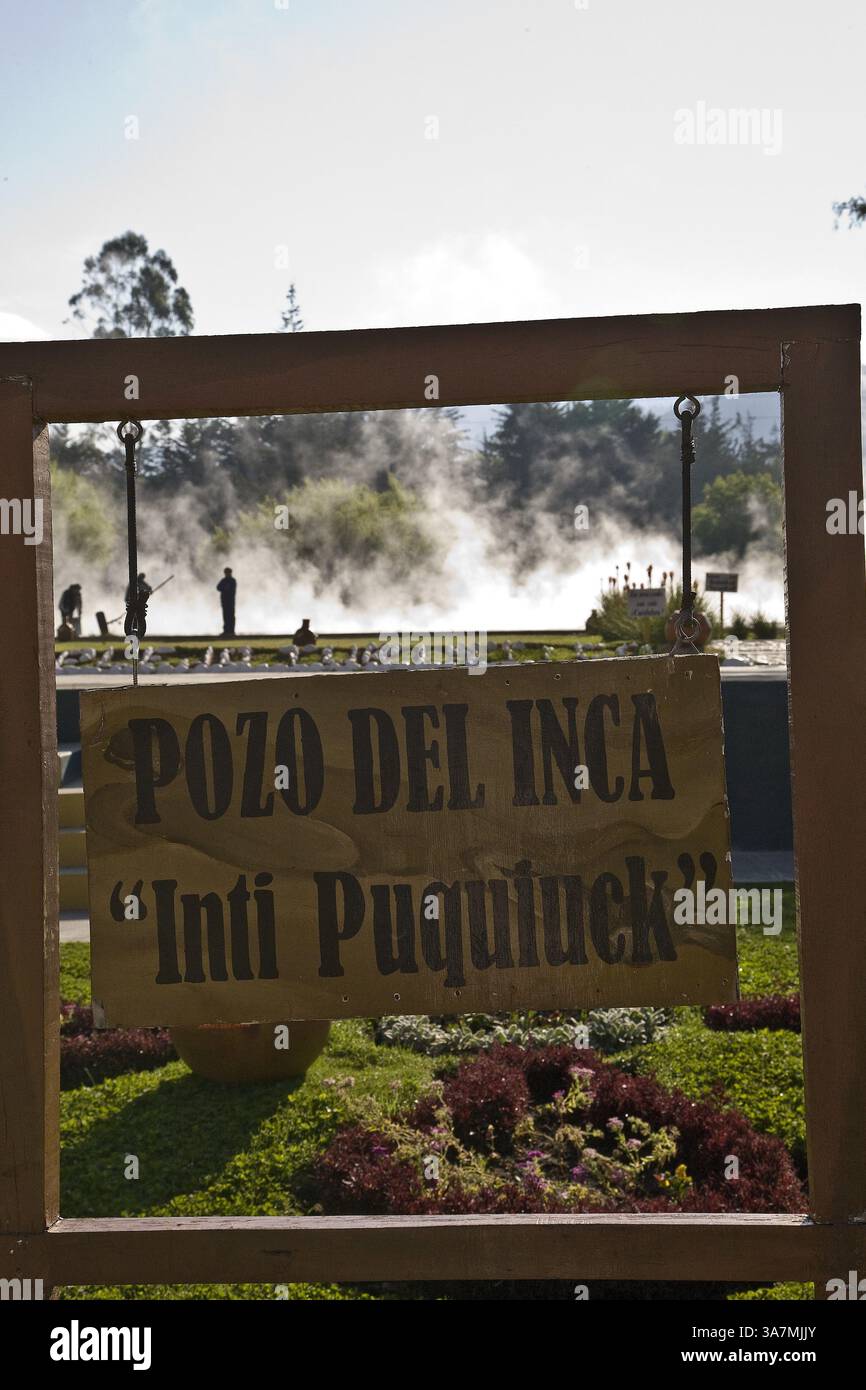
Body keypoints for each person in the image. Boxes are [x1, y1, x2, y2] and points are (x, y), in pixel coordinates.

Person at [217, 567, 237, 637]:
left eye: (228, 572)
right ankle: (226, 631)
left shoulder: (232, 581)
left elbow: (231, 590)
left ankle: (231, 631)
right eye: (226, 573)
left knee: (231, 616)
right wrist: (225, 588)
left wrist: (225, 588)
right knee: (225, 616)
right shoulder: (224, 580)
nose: (227, 574)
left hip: (230, 602)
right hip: (224, 602)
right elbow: (218, 587)